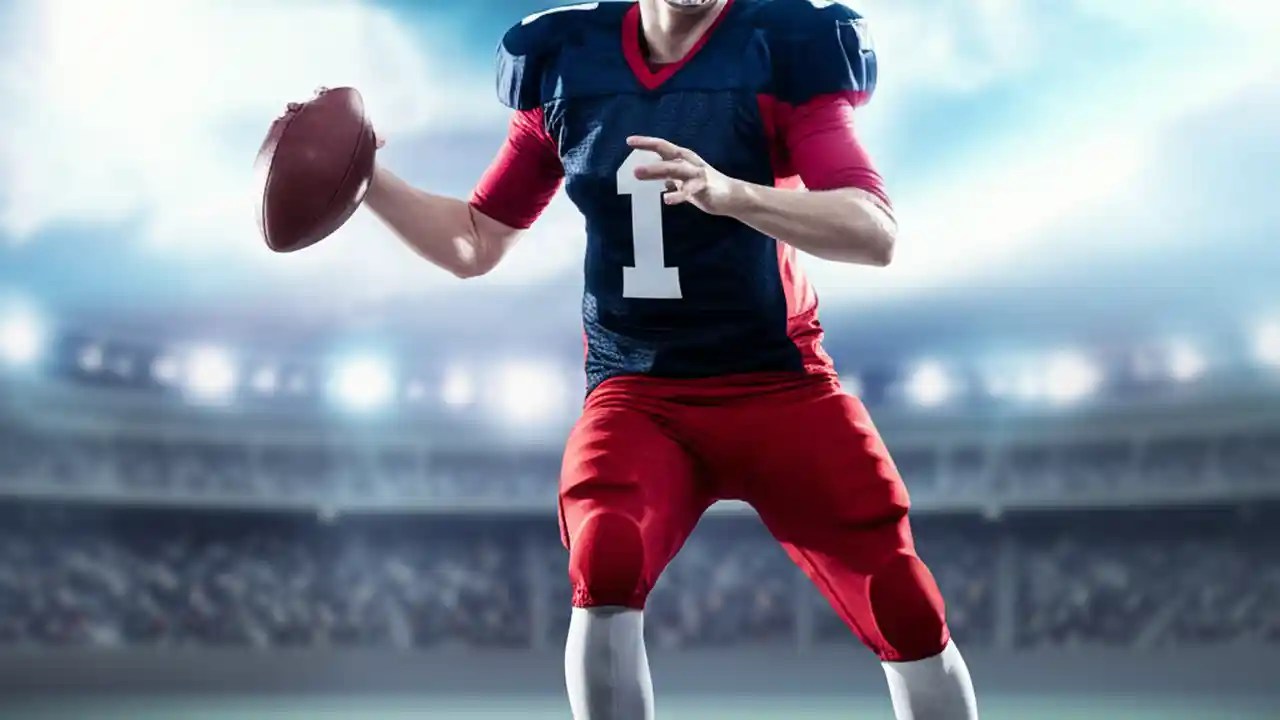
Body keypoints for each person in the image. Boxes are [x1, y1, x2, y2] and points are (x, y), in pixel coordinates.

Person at [366, 1, 980, 717]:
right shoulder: (567, 62)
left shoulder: (776, 47)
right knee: (606, 554)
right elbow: (475, 239)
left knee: (899, 598)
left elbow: (873, 231)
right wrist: (366, 181)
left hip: (781, 386)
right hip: (639, 394)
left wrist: (732, 193)